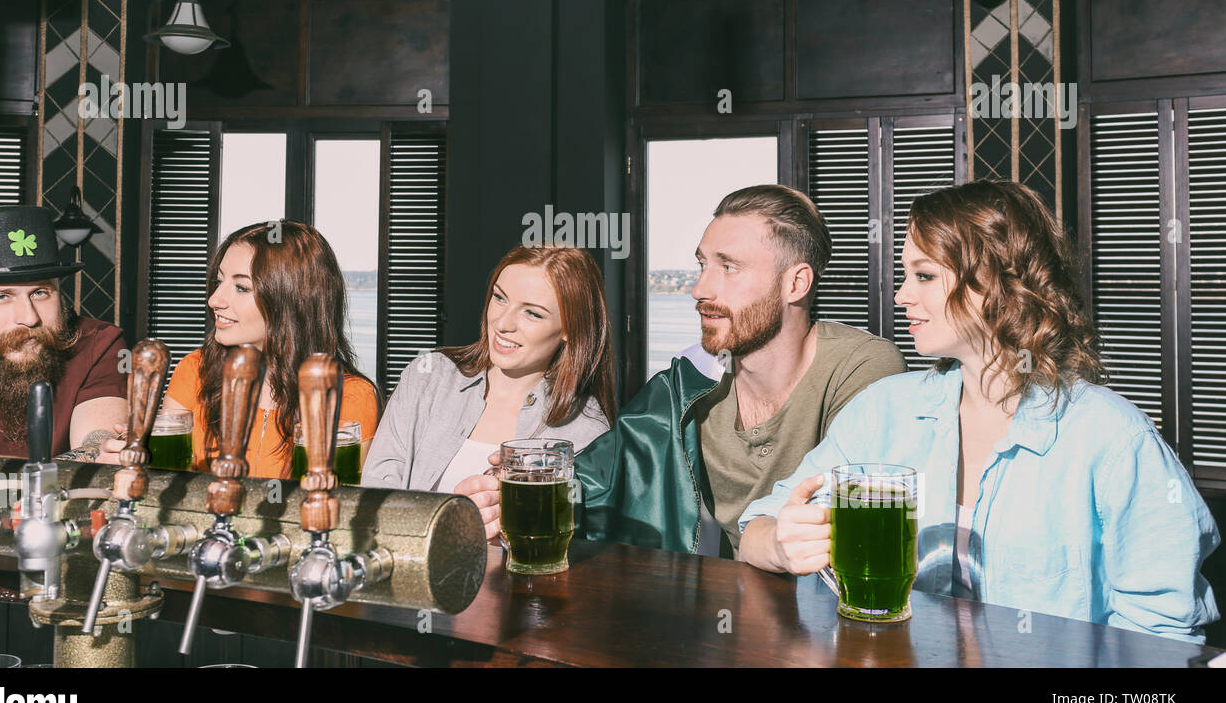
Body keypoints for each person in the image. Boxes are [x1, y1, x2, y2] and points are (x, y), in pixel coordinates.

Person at [738, 180, 1220, 642]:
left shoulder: (1113, 437)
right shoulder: (882, 410)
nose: (902, 295)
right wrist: (782, 545)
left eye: (924, 275)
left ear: (995, 282)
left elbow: (1160, 635)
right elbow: (755, 529)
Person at [577, 185, 908, 556]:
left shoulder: (860, 368)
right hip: (733, 602)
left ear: (795, 283)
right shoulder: (690, 381)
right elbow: (594, 478)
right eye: (703, 265)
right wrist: (508, 493)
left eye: (729, 267)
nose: (700, 289)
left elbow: (860, 519)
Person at [362, 245, 616, 539]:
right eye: (499, 298)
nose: (503, 323)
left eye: (532, 313)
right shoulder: (426, 378)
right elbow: (374, 498)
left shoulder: (584, 432)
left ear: (569, 328)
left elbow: (571, 543)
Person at [104, 221, 380, 478]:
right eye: (218, 281)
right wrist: (139, 463)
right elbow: (170, 480)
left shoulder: (349, 396)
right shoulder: (195, 369)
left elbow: (336, 509)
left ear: (291, 301)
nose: (214, 300)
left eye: (241, 287)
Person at [0, 205, 127, 457]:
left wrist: (98, 451)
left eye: (41, 292)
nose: (30, 318)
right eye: (1, 296)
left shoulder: (100, 343)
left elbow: (96, 442)